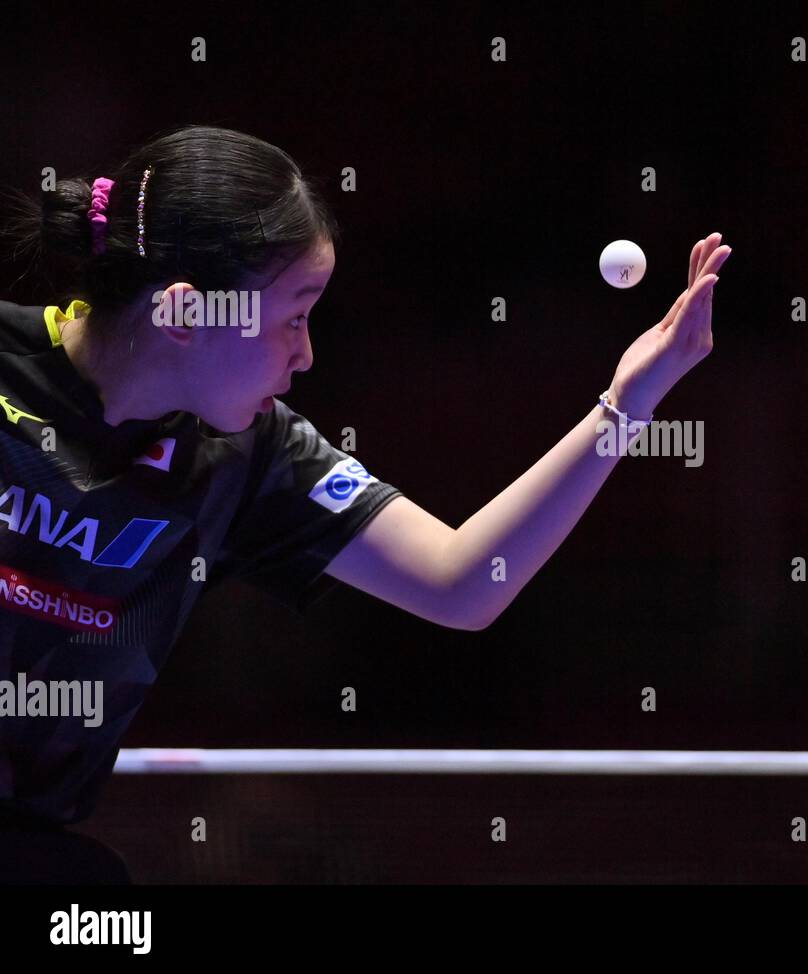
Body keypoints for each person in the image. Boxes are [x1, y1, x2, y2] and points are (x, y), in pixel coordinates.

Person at [0, 124, 732, 882]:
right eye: (292, 315)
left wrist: (623, 408)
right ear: (188, 314)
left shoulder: (246, 456)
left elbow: (463, 582)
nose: (306, 353)